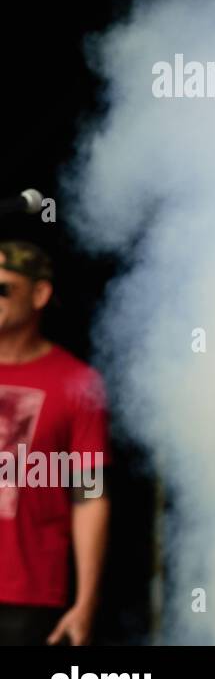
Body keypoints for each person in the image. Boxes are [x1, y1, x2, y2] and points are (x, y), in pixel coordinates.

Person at [0, 241, 111, 646]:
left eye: (4, 287)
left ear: (39, 294)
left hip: (30, 598)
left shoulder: (78, 384)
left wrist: (86, 602)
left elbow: (91, 493)